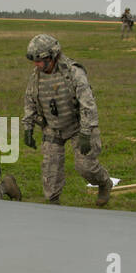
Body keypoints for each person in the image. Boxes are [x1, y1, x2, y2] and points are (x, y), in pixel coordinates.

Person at [22, 34, 113, 205]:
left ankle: (104, 182)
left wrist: (86, 133)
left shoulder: (73, 72)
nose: (37, 65)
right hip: (52, 127)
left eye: (40, 60)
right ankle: (53, 204)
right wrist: (28, 127)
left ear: (53, 57)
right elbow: (30, 101)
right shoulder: (36, 76)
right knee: (51, 171)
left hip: (78, 126)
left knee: (86, 167)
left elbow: (88, 105)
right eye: (34, 61)